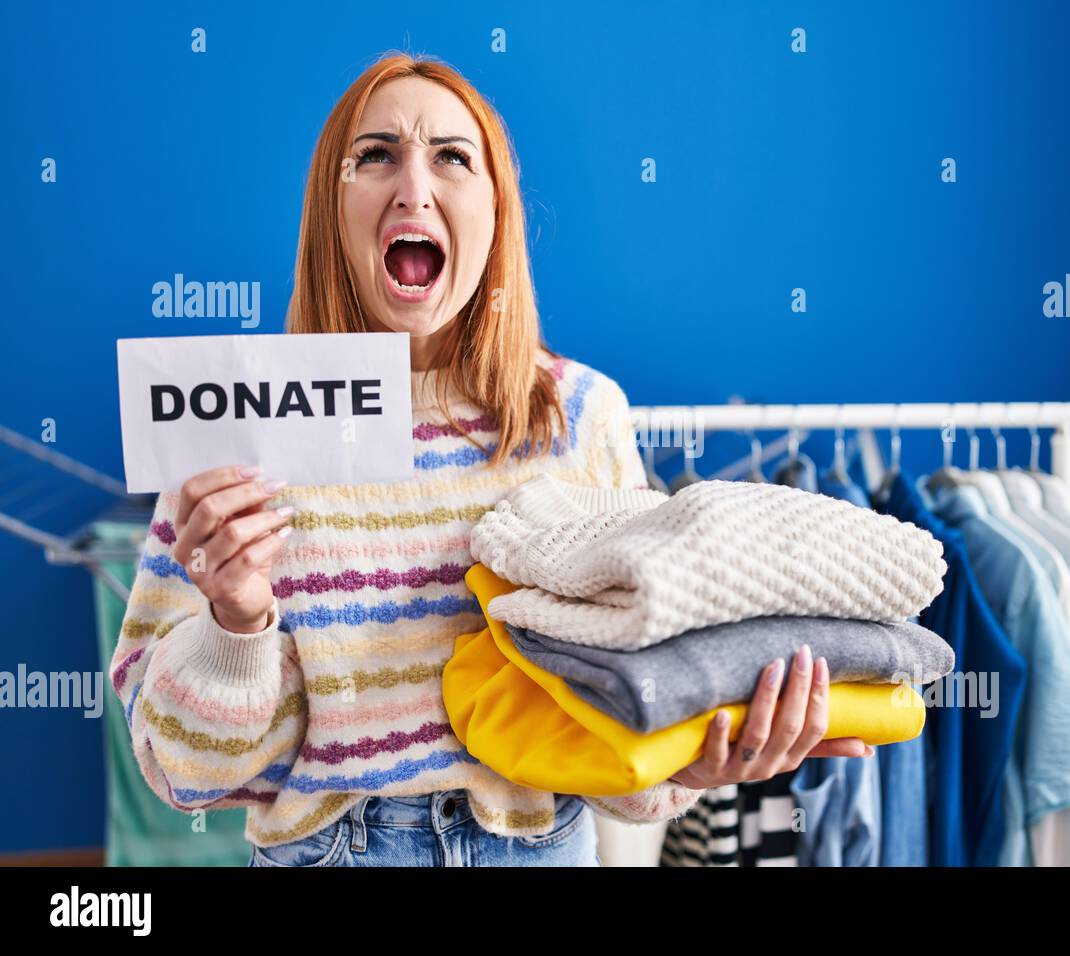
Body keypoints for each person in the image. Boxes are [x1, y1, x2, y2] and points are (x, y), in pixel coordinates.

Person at [108, 52, 871, 868]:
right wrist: (237, 621)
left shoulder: (581, 416)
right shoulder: (237, 421)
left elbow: (623, 750)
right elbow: (180, 773)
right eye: (375, 155)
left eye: (451, 156)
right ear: (327, 211)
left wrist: (693, 759)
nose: (414, 187)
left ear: (497, 211)